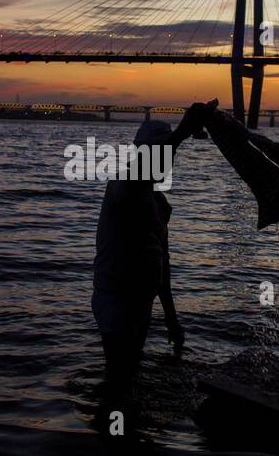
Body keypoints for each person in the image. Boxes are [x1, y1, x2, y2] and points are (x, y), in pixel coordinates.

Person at [91, 100, 218, 375]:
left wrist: (171, 318)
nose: (167, 162)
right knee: (119, 370)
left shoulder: (159, 203)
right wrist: (183, 131)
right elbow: (144, 171)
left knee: (130, 369)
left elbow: (163, 263)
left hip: (141, 297)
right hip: (116, 296)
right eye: (160, 152)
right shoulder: (122, 186)